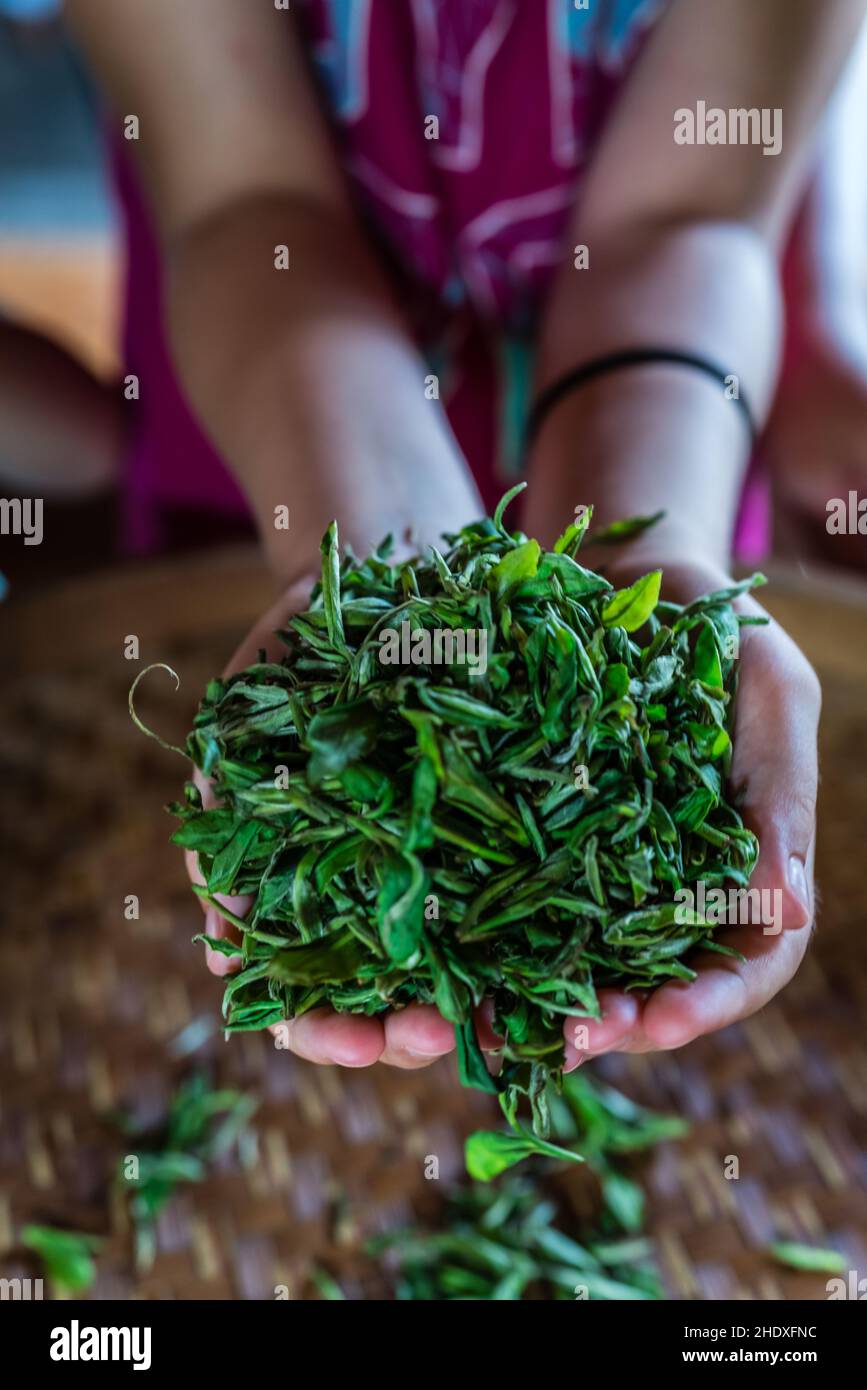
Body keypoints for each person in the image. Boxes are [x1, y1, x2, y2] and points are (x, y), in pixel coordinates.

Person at [60, 0, 864, 1071]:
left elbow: (681, 224)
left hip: (661, 436)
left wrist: (650, 551)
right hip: (291, 436)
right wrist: (373, 563)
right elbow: (249, 201)